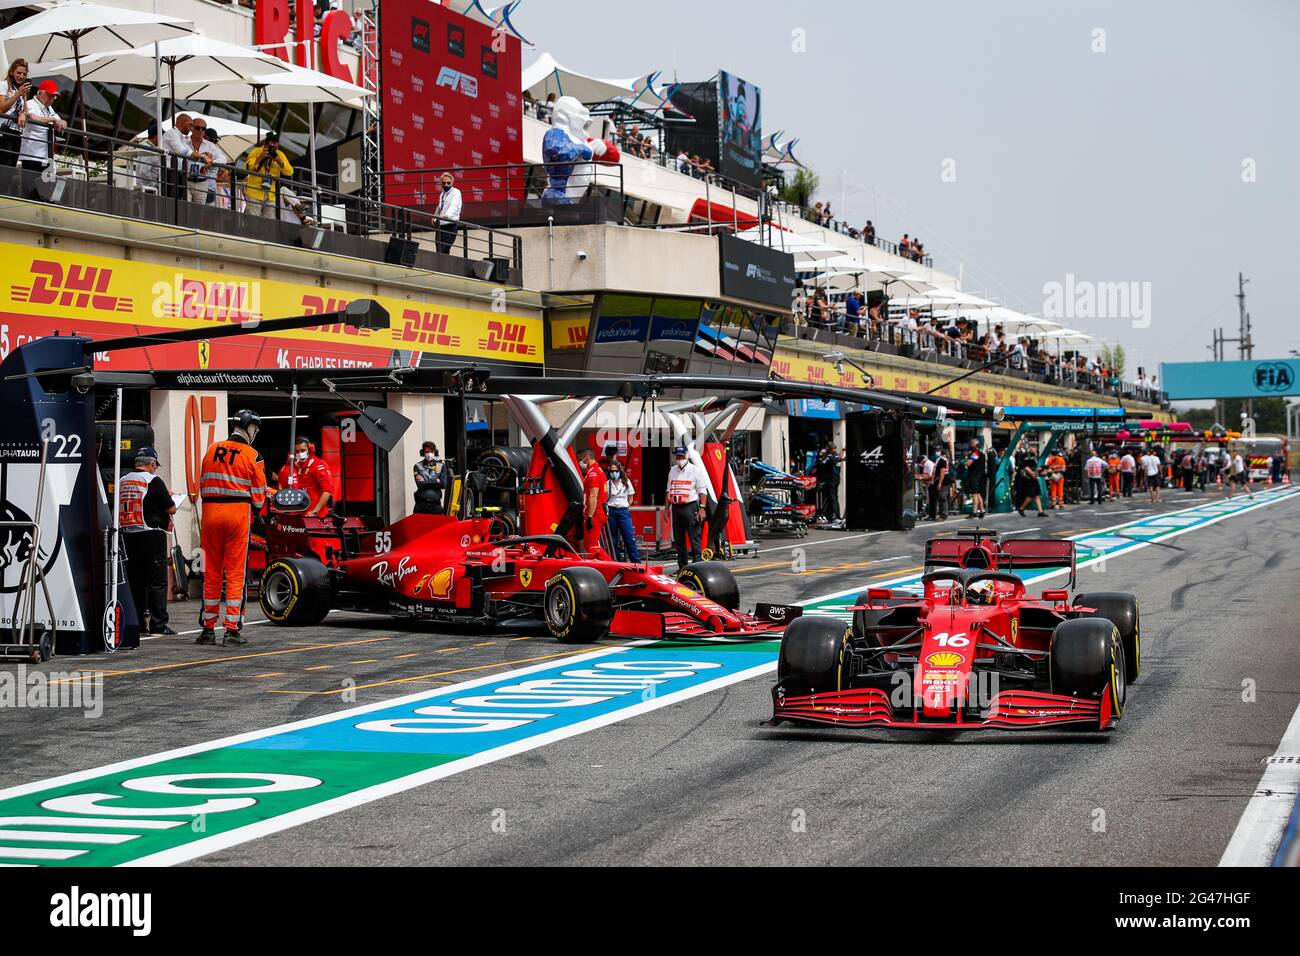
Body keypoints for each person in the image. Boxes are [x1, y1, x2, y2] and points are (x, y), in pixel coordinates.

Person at [198, 409, 267, 647]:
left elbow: (203, 483)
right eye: (255, 429)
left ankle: (207, 628)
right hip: (237, 516)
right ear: (249, 428)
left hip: (209, 516)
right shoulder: (252, 455)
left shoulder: (211, 449)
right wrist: (256, 511)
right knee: (236, 573)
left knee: (212, 572)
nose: (255, 433)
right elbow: (259, 497)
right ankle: (231, 630)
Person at [117, 447, 178, 636]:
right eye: (155, 466)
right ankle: (158, 626)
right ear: (151, 463)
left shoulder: (122, 481)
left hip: (127, 536)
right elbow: (171, 508)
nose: (155, 469)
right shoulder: (153, 480)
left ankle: (138, 623)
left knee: (136, 582)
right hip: (151, 536)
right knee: (157, 583)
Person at [666, 444, 710, 569]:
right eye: (677, 456)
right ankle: (682, 568)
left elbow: (703, 491)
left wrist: (702, 509)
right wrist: (666, 510)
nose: (679, 458)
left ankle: (698, 568)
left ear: (687, 456)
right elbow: (668, 491)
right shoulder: (672, 470)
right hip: (676, 509)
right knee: (679, 542)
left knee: (694, 539)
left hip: (691, 508)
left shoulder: (695, 470)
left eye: (681, 456)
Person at [18, 80, 65, 174]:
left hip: (47, 156)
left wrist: (62, 123)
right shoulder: (30, 104)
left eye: (53, 96)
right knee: (29, 187)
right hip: (31, 155)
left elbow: (60, 121)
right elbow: (33, 117)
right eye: (49, 95)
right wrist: (52, 120)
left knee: (45, 187)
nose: (51, 99)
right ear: (39, 93)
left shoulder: (49, 108)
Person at [244, 131, 292, 219]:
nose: (272, 149)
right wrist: (261, 157)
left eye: (275, 146)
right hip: (255, 191)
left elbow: (289, 172)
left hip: (271, 193)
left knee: (269, 222)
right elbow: (249, 167)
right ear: (265, 144)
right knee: (252, 219)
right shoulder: (256, 152)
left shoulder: (280, 155)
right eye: (270, 146)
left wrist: (278, 160)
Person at [281, 437, 334, 516]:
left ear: (310, 449)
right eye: (297, 451)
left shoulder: (318, 464)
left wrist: (315, 511)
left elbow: (327, 491)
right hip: (300, 512)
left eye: (302, 450)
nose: (300, 453)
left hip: (316, 515)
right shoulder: (295, 466)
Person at [604, 460, 640, 563]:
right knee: (612, 541)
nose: (613, 473)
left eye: (615, 471)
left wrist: (626, 506)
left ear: (620, 471)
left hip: (623, 511)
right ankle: (616, 562)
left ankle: (636, 563)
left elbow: (631, 497)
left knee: (629, 538)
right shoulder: (607, 483)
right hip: (611, 512)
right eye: (611, 471)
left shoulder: (626, 482)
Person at [578, 446, 609, 558]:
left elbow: (593, 496)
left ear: (587, 457)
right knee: (591, 545)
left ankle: (611, 567)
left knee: (591, 547)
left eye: (580, 458)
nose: (579, 461)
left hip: (594, 514)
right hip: (598, 512)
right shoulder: (597, 470)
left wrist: (589, 517)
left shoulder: (593, 473)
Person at [0, 59, 32, 167]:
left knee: (11, 170)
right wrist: (17, 94)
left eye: (24, 74)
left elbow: (27, 112)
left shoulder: (22, 90)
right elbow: (2, 109)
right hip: (4, 131)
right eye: (19, 73)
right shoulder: (4, 85)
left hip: (17, 133)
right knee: (4, 167)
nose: (21, 76)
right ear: (11, 72)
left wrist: (23, 113)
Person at [185, 117, 218, 205]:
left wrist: (211, 162)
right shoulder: (183, 142)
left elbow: (223, 159)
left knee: (198, 213)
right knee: (185, 210)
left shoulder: (210, 146)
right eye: (197, 128)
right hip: (186, 180)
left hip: (202, 182)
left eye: (203, 129)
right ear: (191, 128)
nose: (200, 130)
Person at [412, 441, 446, 514]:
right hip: (421, 505)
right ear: (423, 453)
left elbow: (443, 484)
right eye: (427, 452)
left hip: (436, 505)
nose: (429, 454)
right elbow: (420, 485)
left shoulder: (441, 465)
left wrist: (426, 481)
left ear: (435, 452)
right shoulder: (417, 466)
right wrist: (436, 481)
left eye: (431, 451)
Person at [434, 171, 463, 254]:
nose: (446, 185)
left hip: (451, 224)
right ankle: (440, 266)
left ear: (452, 182)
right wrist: (435, 218)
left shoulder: (456, 192)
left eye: (448, 183)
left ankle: (443, 266)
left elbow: (454, 206)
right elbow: (439, 208)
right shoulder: (442, 194)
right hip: (440, 225)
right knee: (438, 249)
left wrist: (447, 215)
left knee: (445, 249)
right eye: (444, 183)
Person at [965, 439, 987, 519]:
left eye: (972, 443)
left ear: (975, 444)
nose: (970, 444)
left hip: (974, 476)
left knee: (974, 494)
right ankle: (982, 511)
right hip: (980, 476)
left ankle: (974, 512)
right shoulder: (982, 452)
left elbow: (968, 463)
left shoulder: (976, 453)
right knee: (978, 494)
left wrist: (965, 460)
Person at [928, 447, 949, 521]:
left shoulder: (942, 460)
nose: (936, 452)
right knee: (940, 498)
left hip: (942, 482)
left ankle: (943, 515)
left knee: (942, 498)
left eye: (937, 450)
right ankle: (941, 514)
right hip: (938, 481)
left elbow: (942, 472)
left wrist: (940, 483)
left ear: (940, 452)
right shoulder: (939, 459)